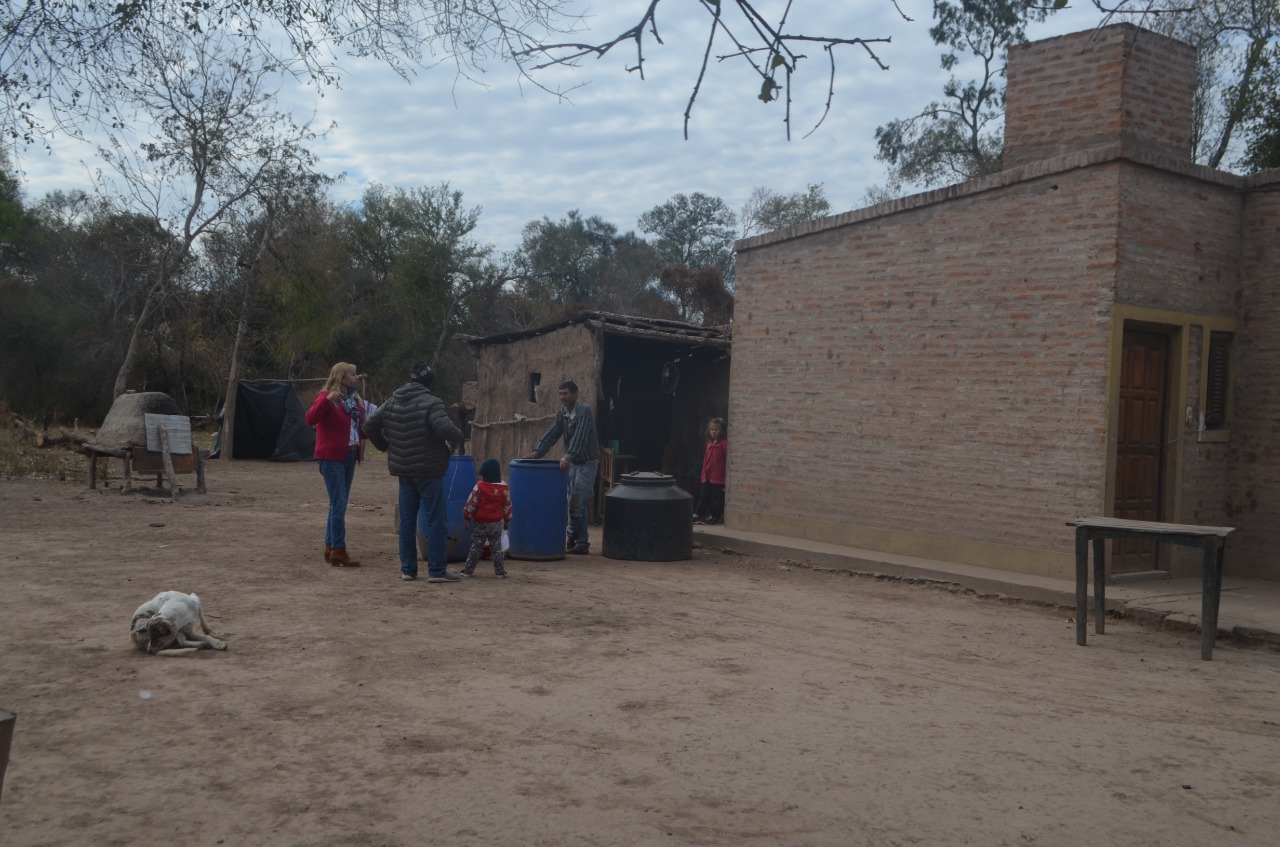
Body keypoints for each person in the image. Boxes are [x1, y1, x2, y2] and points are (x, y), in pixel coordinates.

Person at [364, 361, 464, 583]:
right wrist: (459, 436)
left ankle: (408, 569)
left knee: (407, 522)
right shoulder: (432, 402)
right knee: (436, 521)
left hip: (404, 470)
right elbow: (444, 428)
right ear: (430, 383)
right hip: (429, 470)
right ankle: (437, 571)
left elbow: (370, 424)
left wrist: (385, 446)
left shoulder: (392, 401)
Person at [305, 362, 375, 567]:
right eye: (353, 375)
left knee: (338, 503)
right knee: (339, 502)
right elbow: (310, 419)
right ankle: (339, 549)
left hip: (350, 454)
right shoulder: (326, 396)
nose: (357, 378)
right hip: (331, 456)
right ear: (342, 377)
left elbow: (358, 426)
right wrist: (326, 401)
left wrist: (369, 432)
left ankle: (330, 546)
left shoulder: (353, 399)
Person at [525, 380, 599, 554]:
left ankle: (570, 535)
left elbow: (580, 439)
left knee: (575, 504)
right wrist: (536, 453)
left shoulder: (584, 412)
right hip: (573, 465)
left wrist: (567, 457)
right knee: (578, 505)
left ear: (575, 394)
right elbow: (551, 434)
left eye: (565, 393)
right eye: (560, 394)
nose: (562, 397)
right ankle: (582, 544)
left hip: (587, 465)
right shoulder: (562, 414)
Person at [461, 458, 512, 579]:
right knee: (497, 548)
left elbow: (471, 503)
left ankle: (468, 571)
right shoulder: (504, 489)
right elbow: (507, 506)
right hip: (496, 524)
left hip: (481, 523)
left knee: (476, 547)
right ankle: (500, 572)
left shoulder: (479, 487)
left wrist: (467, 518)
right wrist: (507, 521)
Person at [692, 417, 728, 525]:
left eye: (716, 429)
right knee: (703, 496)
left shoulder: (724, 444)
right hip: (707, 476)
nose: (714, 432)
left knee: (716, 498)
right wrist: (703, 473)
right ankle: (698, 514)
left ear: (722, 430)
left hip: (718, 477)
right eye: (712, 429)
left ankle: (715, 516)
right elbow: (705, 460)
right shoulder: (709, 444)